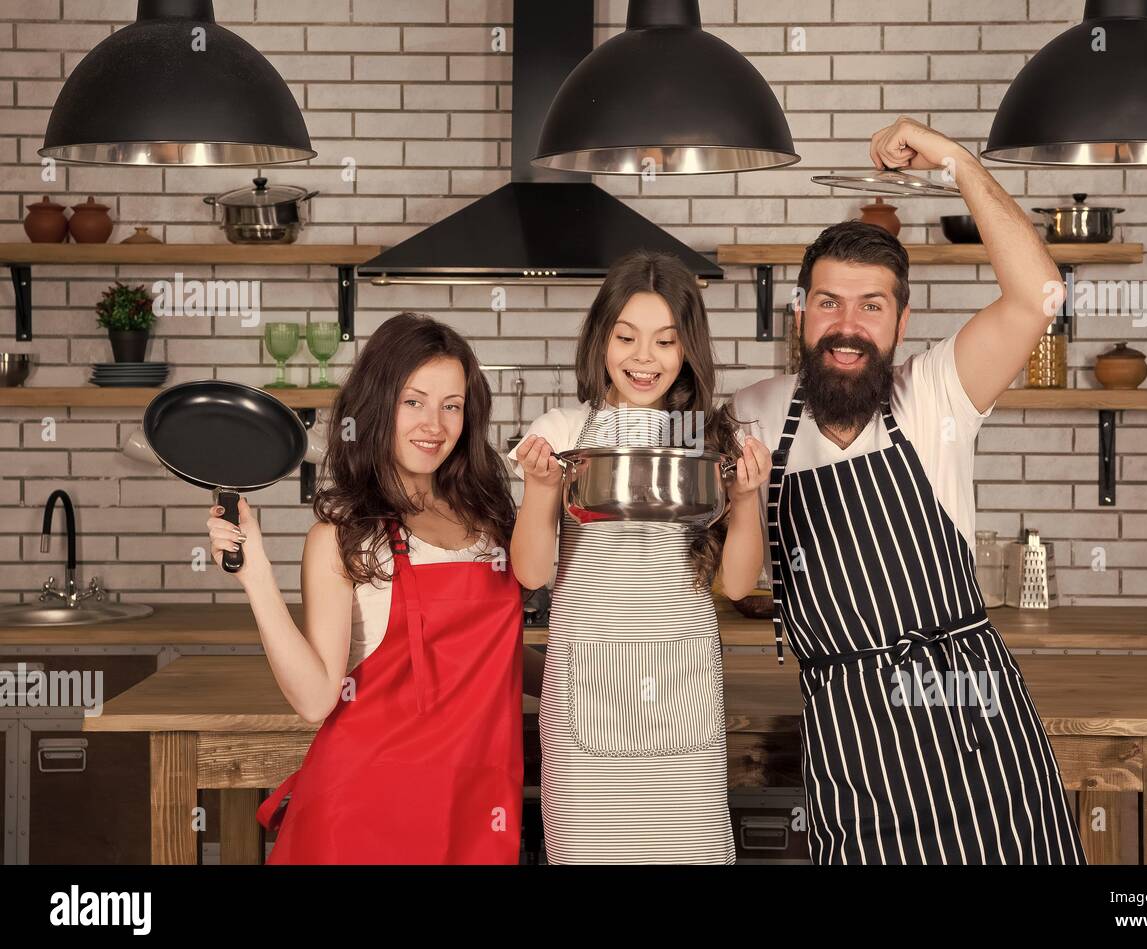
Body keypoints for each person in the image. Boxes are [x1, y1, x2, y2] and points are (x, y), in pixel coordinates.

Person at [731, 117, 1087, 865]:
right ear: (800, 312)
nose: (847, 325)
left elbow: (1038, 295)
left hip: (977, 731)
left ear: (903, 320)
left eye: (871, 305)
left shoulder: (934, 394)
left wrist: (956, 158)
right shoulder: (749, 415)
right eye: (828, 302)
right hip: (853, 746)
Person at [207, 312, 538, 864]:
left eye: (451, 405)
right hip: (364, 815)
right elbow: (316, 698)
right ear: (377, 406)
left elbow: (492, 650)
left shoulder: (490, 522)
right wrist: (256, 575)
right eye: (413, 401)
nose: (434, 424)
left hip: (474, 806)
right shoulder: (342, 538)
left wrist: (586, 682)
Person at [508, 250, 770, 864]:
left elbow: (735, 583)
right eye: (626, 337)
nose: (643, 359)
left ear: (688, 349)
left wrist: (748, 495)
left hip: (680, 688)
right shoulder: (566, 429)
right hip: (586, 691)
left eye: (664, 341)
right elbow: (531, 572)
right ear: (600, 338)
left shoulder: (712, 437)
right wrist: (543, 489)